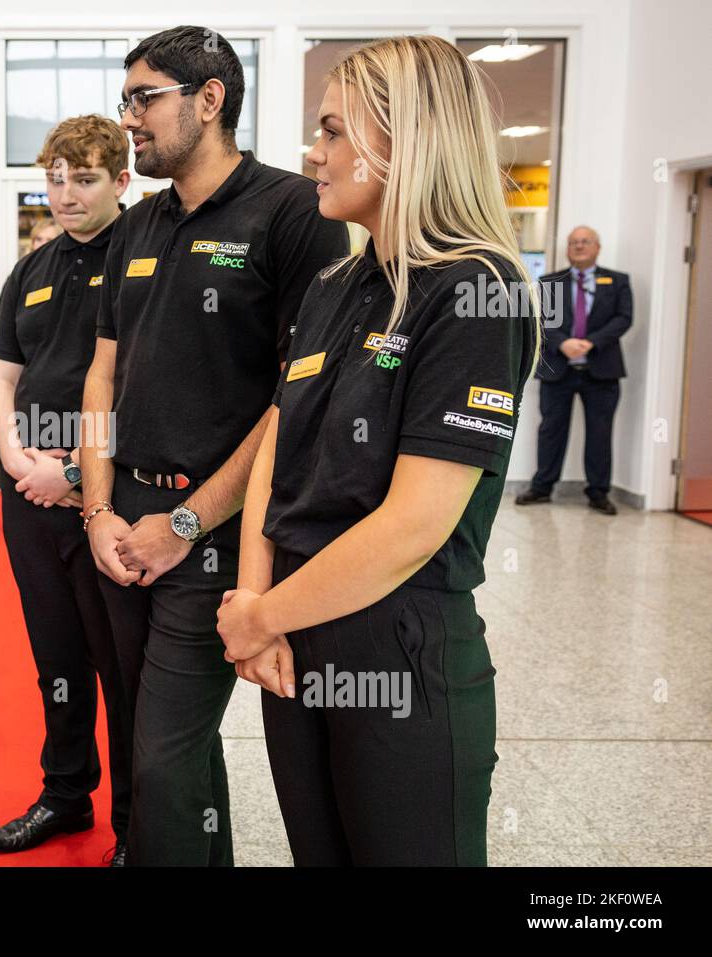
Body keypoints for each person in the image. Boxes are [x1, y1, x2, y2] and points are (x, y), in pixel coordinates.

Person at [217, 34, 542, 866]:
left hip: (396, 645)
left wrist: (261, 616)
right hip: (295, 635)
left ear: (403, 140)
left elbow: (412, 528)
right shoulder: (338, 285)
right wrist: (256, 604)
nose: (313, 155)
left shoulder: (478, 290)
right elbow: (277, 454)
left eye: (332, 131)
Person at [78, 25, 348, 866]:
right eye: (125, 99)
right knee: (155, 747)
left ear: (209, 98)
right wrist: (96, 510)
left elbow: (293, 401)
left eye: (143, 97)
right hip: (120, 523)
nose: (129, 118)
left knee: (161, 754)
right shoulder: (138, 226)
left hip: (216, 536)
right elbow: (99, 379)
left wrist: (187, 523)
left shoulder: (293, 214)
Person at [0, 115, 133, 865]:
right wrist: (16, 459)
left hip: (107, 503)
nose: (65, 194)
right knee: (58, 660)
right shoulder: (33, 268)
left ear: (122, 182)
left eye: (84, 179)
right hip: (29, 502)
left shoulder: (149, 260)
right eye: (54, 178)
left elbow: (156, 389)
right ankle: (66, 794)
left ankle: (139, 822)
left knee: (124, 668)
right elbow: (3, 375)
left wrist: (72, 473)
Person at [516, 226, 632, 514]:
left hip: (602, 372)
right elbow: (541, 319)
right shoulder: (549, 281)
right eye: (573, 243)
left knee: (600, 433)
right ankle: (542, 487)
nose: (579, 246)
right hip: (558, 370)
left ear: (597, 247)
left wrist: (591, 343)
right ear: (567, 249)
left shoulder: (617, 281)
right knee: (550, 430)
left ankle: (598, 492)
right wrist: (563, 343)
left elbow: (623, 318)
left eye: (585, 242)